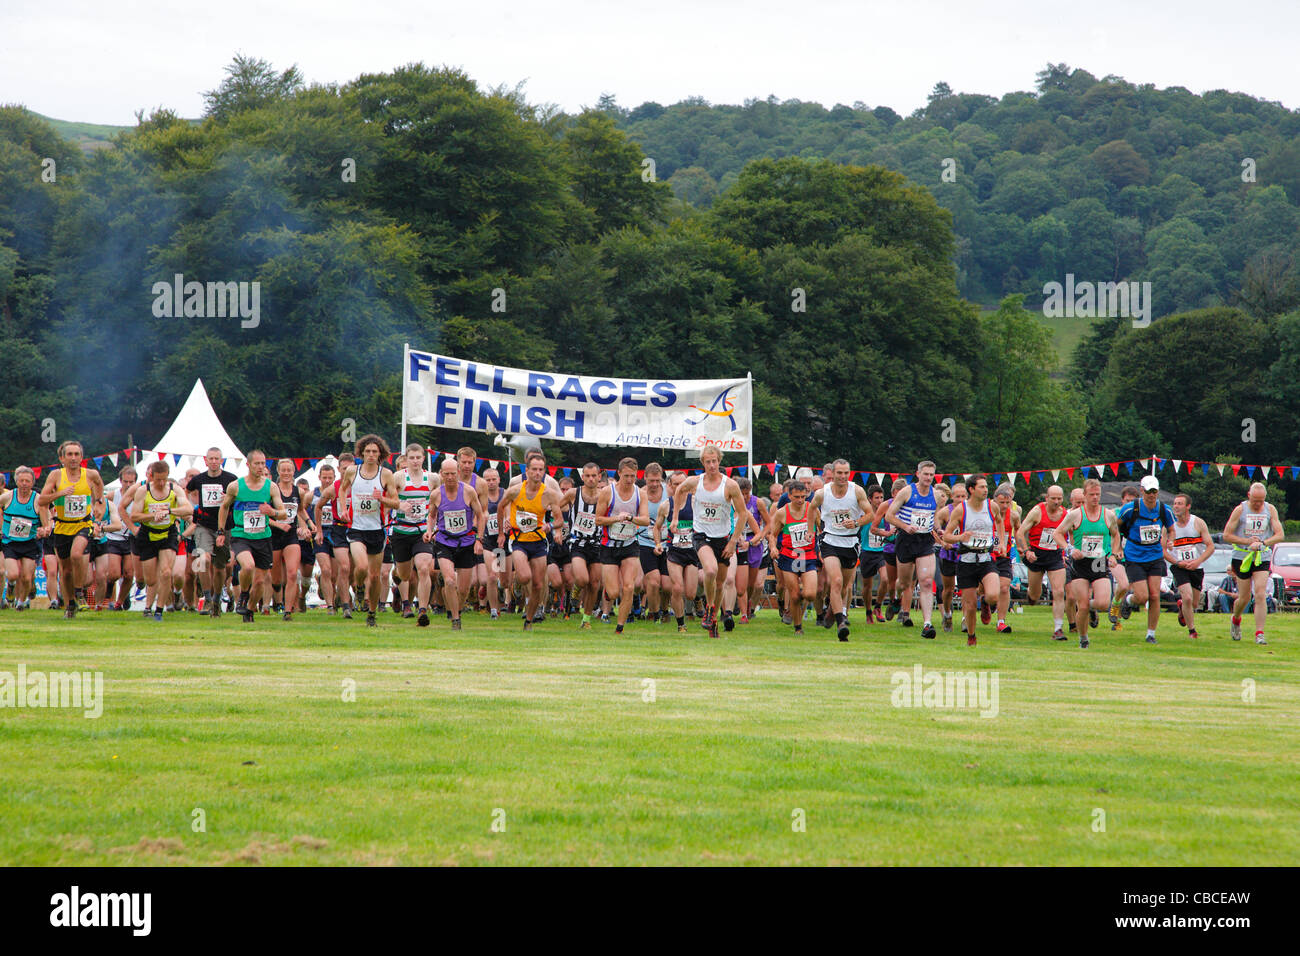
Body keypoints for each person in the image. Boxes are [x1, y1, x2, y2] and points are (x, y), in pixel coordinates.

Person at [671, 446, 748, 639]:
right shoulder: (695, 482)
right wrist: (675, 517)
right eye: (708, 461)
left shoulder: (730, 485)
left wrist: (732, 542)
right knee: (710, 570)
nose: (712, 465)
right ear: (702, 463)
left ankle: (713, 619)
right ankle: (709, 608)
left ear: (719, 461)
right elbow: (679, 490)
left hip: (722, 538)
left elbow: (743, 514)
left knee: (720, 583)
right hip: (701, 535)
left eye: (714, 461)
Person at [216, 450, 289, 624]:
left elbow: (284, 513)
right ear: (248, 465)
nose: (260, 467)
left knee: (260, 582)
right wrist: (220, 531)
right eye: (257, 463)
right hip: (241, 535)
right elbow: (224, 507)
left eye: (263, 463)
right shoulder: (236, 486)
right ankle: (243, 595)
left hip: (263, 537)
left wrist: (271, 512)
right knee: (248, 566)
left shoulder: (271, 487)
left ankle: (249, 610)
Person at [36, 440, 107, 619]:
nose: (74, 458)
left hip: (83, 524)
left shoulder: (90, 474)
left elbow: (99, 485)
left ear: (82, 457)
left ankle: (80, 592)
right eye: (70, 454)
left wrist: (99, 502)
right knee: (66, 571)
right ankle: (70, 604)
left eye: (77, 454)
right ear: (62, 458)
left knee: (77, 554)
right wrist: (60, 493)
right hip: (61, 527)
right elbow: (42, 501)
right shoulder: (56, 476)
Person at [338, 437, 403, 628]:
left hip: (376, 530)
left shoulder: (386, 475)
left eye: (375, 452)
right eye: (368, 452)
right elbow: (342, 491)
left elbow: (396, 502)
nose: (371, 455)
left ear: (380, 454)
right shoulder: (352, 471)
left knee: (375, 577)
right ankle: (359, 587)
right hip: (357, 528)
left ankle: (372, 612)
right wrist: (343, 509)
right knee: (362, 567)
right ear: (362, 453)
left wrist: (381, 499)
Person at [497, 455, 566, 631]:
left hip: (538, 542)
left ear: (544, 472)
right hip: (518, 540)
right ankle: (516, 585)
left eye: (540, 470)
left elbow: (560, 520)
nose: (537, 473)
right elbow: (500, 506)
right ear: (526, 471)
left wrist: (550, 526)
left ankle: (529, 619)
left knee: (538, 584)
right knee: (525, 576)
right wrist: (501, 531)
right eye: (533, 469)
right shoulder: (514, 490)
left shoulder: (549, 494)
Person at [1053, 478, 1122, 649]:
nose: (1095, 498)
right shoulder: (1076, 515)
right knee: (1081, 605)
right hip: (1080, 562)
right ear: (1084, 495)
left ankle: (1092, 609)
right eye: (1091, 494)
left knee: (1103, 603)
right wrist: (1069, 549)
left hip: (1099, 561)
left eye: (1098, 494)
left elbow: (1116, 535)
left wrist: (1113, 554)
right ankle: (1083, 638)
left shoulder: (1108, 515)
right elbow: (1057, 533)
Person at [811, 459, 872, 641]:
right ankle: (841, 622)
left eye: (846, 473)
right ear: (833, 473)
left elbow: (870, 514)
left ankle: (832, 610)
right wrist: (809, 529)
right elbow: (812, 507)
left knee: (844, 586)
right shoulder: (823, 493)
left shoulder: (857, 491)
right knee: (835, 581)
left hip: (851, 542)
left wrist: (856, 522)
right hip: (829, 540)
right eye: (839, 473)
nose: (843, 476)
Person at [128, 460, 194, 621]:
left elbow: (188, 509)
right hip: (148, 535)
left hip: (168, 534)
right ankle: (148, 606)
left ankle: (159, 610)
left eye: (164, 479)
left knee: (166, 573)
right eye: (158, 479)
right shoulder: (143, 491)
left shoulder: (174, 489)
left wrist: (169, 511)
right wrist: (153, 515)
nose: (161, 482)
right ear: (151, 477)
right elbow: (134, 515)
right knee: (150, 579)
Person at [941, 475, 1002, 647]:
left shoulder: (992, 506)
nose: (986, 490)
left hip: (986, 558)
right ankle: (972, 636)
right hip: (966, 560)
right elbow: (946, 536)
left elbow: (1000, 522)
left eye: (986, 486)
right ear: (972, 490)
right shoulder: (961, 510)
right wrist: (961, 536)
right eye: (981, 487)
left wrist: (1002, 542)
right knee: (969, 605)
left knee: (993, 595)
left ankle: (985, 603)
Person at [426, 457, 486, 630]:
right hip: (444, 541)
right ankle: (455, 619)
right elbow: (431, 515)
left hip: (466, 542)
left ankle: (456, 609)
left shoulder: (468, 492)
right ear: (442, 475)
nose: (450, 477)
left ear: (458, 473)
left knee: (464, 589)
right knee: (450, 581)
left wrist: (479, 539)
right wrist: (429, 531)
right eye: (447, 474)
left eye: (453, 473)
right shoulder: (436, 494)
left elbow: (480, 516)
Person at [883, 460, 940, 639]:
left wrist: (939, 529)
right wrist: (905, 526)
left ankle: (927, 624)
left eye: (931, 475)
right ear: (918, 474)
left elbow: (935, 516)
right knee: (904, 583)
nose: (928, 478)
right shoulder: (907, 491)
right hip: (906, 540)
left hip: (924, 541)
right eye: (925, 474)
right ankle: (897, 599)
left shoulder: (936, 495)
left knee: (926, 582)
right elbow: (889, 515)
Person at [1115, 475, 1175, 644]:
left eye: (1154, 491)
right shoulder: (1129, 509)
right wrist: (1118, 547)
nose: (1151, 495)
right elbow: (1115, 527)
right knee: (1142, 597)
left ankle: (1151, 634)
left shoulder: (1164, 510)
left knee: (1155, 595)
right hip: (1134, 555)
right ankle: (1128, 600)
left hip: (1155, 555)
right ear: (1142, 490)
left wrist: (1171, 540)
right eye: (1148, 491)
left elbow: (1171, 529)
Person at [1222, 482, 1285, 645]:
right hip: (1241, 557)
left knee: (1260, 593)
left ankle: (1260, 633)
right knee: (1244, 597)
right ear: (1249, 495)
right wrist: (1246, 541)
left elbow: (1280, 535)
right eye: (1255, 500)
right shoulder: (1240, 510)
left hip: (1261, 557)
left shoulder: (1270, 510)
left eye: (1261, 500)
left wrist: (1263, 543)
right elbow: (1227, 535)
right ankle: (1236, 619)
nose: (1258, 504)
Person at [596, 457, 651, 635]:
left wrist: (630, 518)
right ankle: (607, 594)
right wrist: (616, 518)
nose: (629, 480)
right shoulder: (607, 492)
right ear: (619, 473)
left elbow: (645, 520)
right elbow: (598, 520)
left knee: (629, 587)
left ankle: (620, 627)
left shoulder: (640, 493)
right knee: (613, 592)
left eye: (633, 476)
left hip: (629, 544)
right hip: (609, 544)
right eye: (626, 476)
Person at [764, 479, 820, 636]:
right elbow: (772, 535)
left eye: (803, 496)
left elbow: (821, 530)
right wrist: (773, 548)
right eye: (797, 497)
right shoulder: (782, 513)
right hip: (789, 556)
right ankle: (798, 627)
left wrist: (821, 550)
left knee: (810, 594)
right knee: (794, 595)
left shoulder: (812, 510)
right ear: (789, 496)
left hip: (808, 555)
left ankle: (797, 607)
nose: (800, 500)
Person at [391, 445, 437, 624]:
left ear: (423, 458)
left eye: (418, 457)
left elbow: (440, 499)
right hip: (401, 531)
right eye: (412, 458)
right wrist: (398, 504)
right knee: (405, 575)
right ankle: (397, 583)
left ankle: (423, 610)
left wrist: (432, 527)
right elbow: (386, 499)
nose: (415, 461)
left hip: (421, 531)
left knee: (424, 568)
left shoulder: (432, 478)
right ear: (407, 459)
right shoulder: (398, 477)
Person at [1018, 484, 1069, 640]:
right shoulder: (1037, 512)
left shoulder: (1065, 514)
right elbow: (1020, 533)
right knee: (1035, 594)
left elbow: (1071, 534)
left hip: (1055, 556)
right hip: (1036, 555)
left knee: (1059, 591)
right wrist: (1027, 551)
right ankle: (1031, 596)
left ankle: (1058, 629)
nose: (1056, 501)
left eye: (1059, 498)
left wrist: (1068, 550)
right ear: (1046, 498)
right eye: (1053, 498)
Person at [190, 448, 237, 618]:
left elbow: (237, 501)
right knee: (203, 558)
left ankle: (217, 599)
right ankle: (207, 597)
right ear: (206, 460)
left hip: (224, 527)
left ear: (222, 460)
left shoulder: (231, 479)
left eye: (217, 458)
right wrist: (193, 511)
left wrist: (229, 499)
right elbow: (186, 492)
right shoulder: (198, 479)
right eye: (211, 458)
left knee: (220, 568)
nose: (214, 461)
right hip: (204, 526)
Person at [1164, 492, 1214, 641]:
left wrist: (1198, 561)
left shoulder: (1198, 523)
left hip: (1196, 567)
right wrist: (1177, 562)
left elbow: (1210, 546)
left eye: (1180, 504)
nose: (1176, 506)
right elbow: (1162, 550)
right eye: (1175, 503)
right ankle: (1192, 630)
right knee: (1187, 597)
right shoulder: (1168, 526)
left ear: (1188, 506)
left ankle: (1182, 609)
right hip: (1179, 566)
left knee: (1193, 603)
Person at [2, 466, 52, 610]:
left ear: (32, 483)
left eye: (27, 481)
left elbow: (47, 519)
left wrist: (45, 529)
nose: (24, 483)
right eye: (21, 480)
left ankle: (20, 602)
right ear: (16, 482)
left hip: (30, 543)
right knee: (12, 574)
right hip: (10, 542)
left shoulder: (37, 499)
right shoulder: (8, 497)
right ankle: (10, 587)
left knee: (27, 577)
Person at [657, 471, 699, 635]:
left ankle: (696, 601)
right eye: (676, 484)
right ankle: (681, 624)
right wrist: (657, 543)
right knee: (677, 588)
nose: (680, 487)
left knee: (690, 593)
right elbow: (656, 526)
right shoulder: (666, 505)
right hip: (674, 552)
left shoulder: (695, 501)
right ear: (670, 486)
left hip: (692, 551)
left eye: (683, 483)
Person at [267, 458, 309, 621]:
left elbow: (301, 510)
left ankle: (288, 611)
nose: (286, 473)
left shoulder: (299, 492)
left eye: (289, 470)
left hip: (291, 535)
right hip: (274, 535)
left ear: (293, 472)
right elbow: (264, 515)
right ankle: (277, 594)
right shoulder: (272, 490)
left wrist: (309, 524)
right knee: (277, 579)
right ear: (278, 471)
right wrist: (278, 524)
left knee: (292, 573)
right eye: (283, 470)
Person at [636, 463, 671, 624]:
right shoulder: (639, 494)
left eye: (658, 480)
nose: (655, 484)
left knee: (667, 585)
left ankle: (665, 610)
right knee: (654, 581)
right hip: (645, 542)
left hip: (667, 543)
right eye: (651, 481)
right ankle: (655, 613)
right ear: (645, 479)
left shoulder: (668, 492)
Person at [734, 477, 770, 624]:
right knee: (737, 580)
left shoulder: (757, 503)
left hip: (753, 542)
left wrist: (759, 537)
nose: (744, 497)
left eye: (746, 493)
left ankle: (746, 603)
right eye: (741, 493)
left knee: (752, 583)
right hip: (737, 542)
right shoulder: (731, 503)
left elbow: (769, 524)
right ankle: (740, 606)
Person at [475, 467, 507, 619]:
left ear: (499, 480)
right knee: (492, 576)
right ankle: (494, 610)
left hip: (503, 542)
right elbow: (475, 518)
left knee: (505, 581)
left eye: (494, 479)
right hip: (488, 541)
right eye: (488, 480)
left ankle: (501, 588)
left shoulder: (505, 494)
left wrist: (508, 522)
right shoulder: (480, 497)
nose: (491, 482)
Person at [990, 483, 1021, 633]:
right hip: (987, 555)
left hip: (1004, 556)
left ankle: (1001, 621)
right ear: (994, 501)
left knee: (1004, 587)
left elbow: (1019, 532)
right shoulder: (987, 513)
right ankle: (985, 603)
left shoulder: (1014, 516)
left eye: (1007, 503)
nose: (1004, 506)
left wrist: (1022, 548)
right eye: (1001, 503)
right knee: (985, 590)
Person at [857, 485, 887, 625]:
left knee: (885, 579)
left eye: (881, 497)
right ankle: (868, 611)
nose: (879, 500)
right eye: (876, 498)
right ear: (869, 499)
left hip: (882, 552)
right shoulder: (864, 514)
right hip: (867, 552)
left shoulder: (886, 514)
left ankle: (878, 607)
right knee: (867, 586)